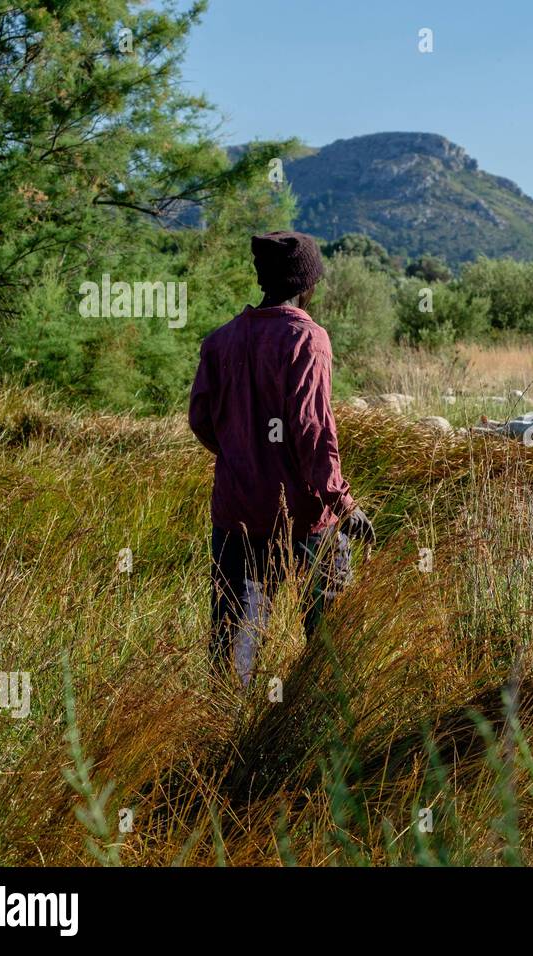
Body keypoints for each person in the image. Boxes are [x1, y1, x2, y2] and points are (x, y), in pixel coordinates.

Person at [188, 230, 374, 684]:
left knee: (234, 645)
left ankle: (223, 739)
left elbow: (201, 420)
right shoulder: (307, 339)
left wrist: (243, 454)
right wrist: (343, 504)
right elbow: (313, 433)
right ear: (305, 284)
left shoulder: (221, 341)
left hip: (236, 514)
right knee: (331, 641)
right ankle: (324, 728)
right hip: (306, 516)